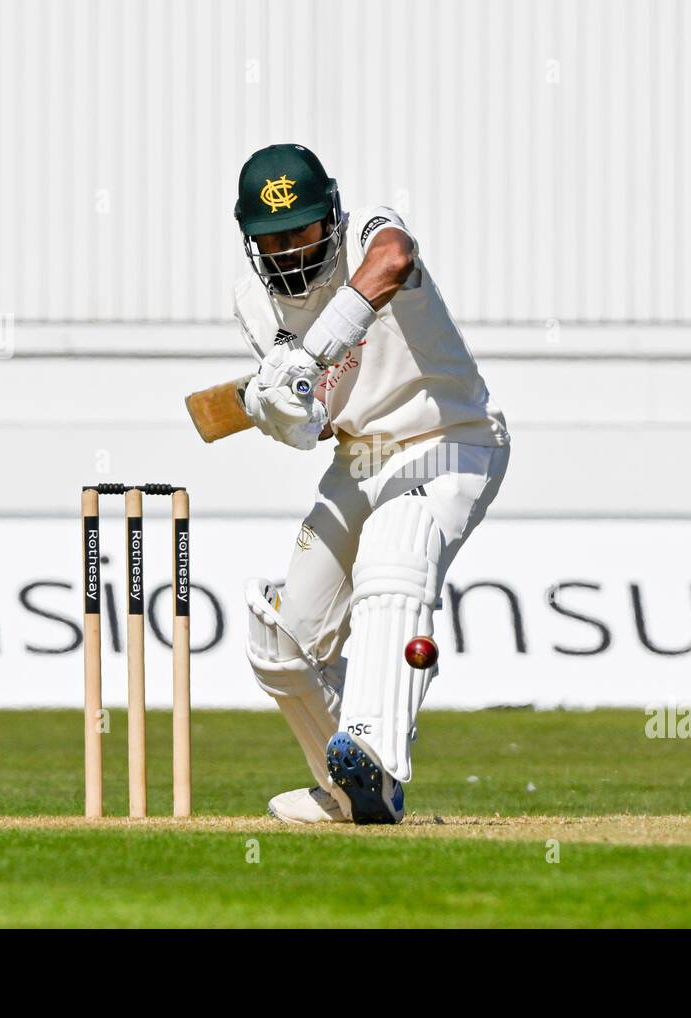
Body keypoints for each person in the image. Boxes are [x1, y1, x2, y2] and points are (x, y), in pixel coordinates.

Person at [233, 143, 510, 823]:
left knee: (396, 549)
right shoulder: (252, 301)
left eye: (301, 231)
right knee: (280, 638)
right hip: (360, 454)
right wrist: (283, 415)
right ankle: (348, 790)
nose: (292, 251)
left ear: (329, 215)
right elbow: (316, 423)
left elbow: (393, 261)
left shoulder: (367, 233)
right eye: (273, 240)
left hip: (449, 435)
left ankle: (377, 759)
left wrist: (310, 352)